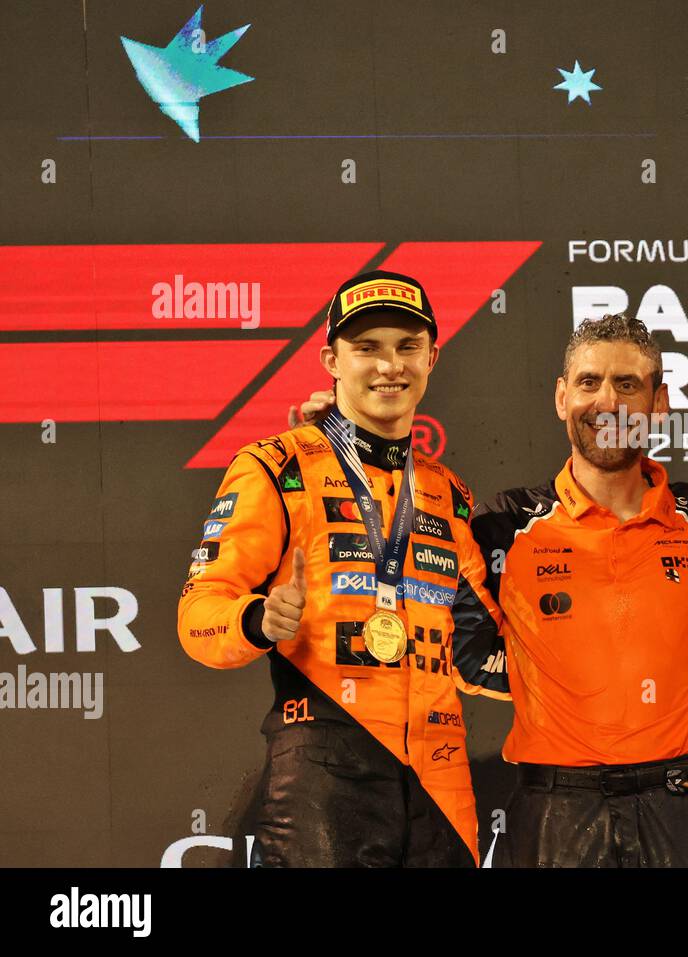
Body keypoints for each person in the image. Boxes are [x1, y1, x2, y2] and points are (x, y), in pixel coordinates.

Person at [294, 315, 688, 867]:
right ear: (562, 398)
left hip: (684, 806)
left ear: (659, 402)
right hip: (555, 811)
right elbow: (409, 560)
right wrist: (349, 444)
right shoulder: (507, 523)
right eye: (588, 382)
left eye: (627, 384)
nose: (606, 401)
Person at [179, 270, 508, 867]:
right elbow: (199, 615)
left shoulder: (447, 492)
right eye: (367, 348)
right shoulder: (277, 467)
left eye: (407, 347)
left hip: (442, 776)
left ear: (433, 357)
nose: (390, 366)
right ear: (331, 359)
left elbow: (477, 644)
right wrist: (259, 621)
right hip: (325, 767)